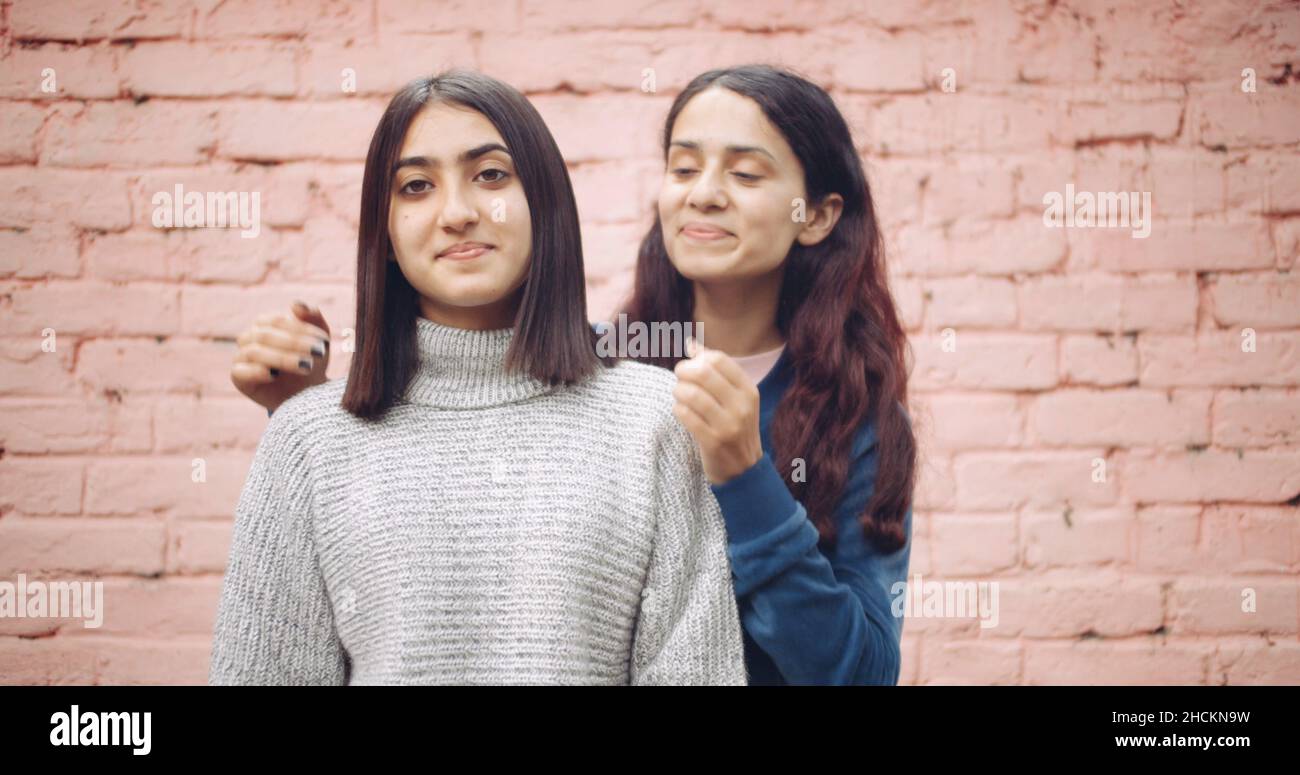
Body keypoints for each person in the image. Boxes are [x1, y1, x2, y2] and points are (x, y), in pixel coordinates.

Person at [231, 65, 917, 685]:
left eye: (745, 173)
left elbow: (862, 671)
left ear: (819, 214)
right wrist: (304, 420)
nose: (705, 195)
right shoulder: (584, 366)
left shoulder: (848, 415)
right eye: (683, 168)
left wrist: (746, 478)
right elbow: (436, 465)